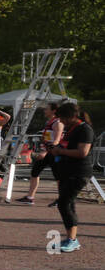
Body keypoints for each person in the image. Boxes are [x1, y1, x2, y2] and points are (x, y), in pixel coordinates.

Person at [48, 102, 93, 253]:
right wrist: (57, 149)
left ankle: (72, 240)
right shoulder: (71, 129)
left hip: (79, 172)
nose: (61, 122)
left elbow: (82, 152)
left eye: (63, 118)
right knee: (68, 203)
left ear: (72, 116)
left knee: (64, 203)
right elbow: (67, 146)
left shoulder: (85, 129)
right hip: (67, 171)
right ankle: (71, 238)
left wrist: (61, 152)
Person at [18, 102, 64, 203]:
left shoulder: (58, 123)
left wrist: (46, 151)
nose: (44, 111)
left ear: (54, 111)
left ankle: (62, 199)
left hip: (53, 153)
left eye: (47, 109)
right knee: (35, 172)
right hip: (47, 152)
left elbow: (57, 140)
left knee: (58, 176)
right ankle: (30, 197)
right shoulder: (49, 122)